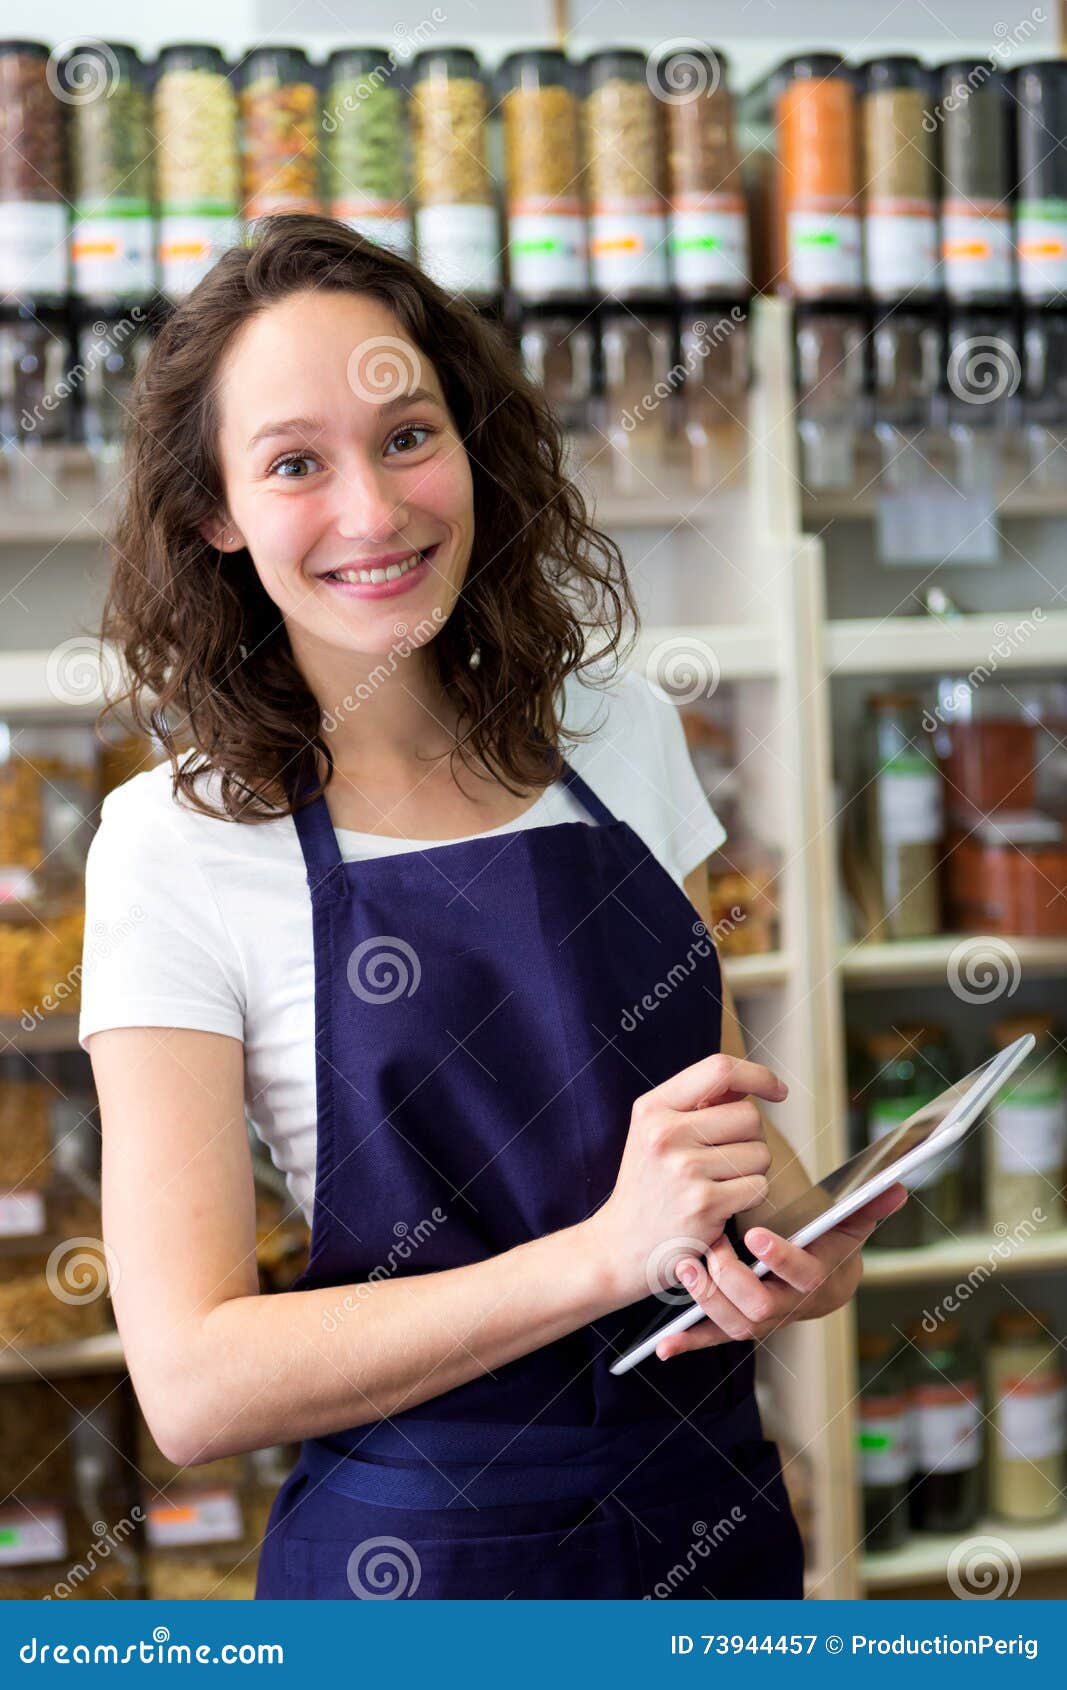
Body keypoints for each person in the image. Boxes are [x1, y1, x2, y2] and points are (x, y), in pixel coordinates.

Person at [80, 215, 905, 1601]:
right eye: (295, 463)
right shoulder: (171, 843)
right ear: (215, 513)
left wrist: (801, 1245)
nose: (376, 510)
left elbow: (720, 1141)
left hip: (710, 1522)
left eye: (408, 435)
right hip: (422, 1574)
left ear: (472, 441)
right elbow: (195, 1382)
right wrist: (595, 1261)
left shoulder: (620, 731)